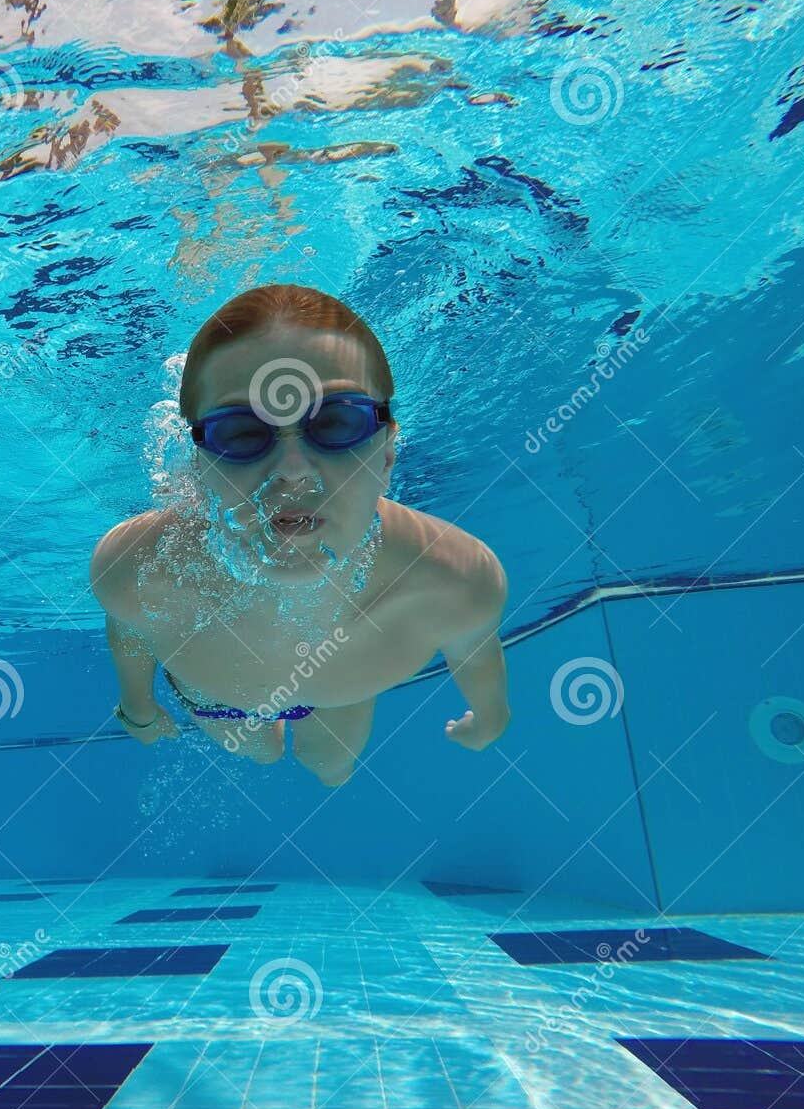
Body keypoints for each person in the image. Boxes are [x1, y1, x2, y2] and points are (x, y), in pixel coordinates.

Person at [91, 284, 511, 787]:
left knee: (330, 768)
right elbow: (129, 627)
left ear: (387, 454)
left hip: (342, 689)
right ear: (198, 466)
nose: (292, 471)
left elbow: (476, 653)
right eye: (241, 433)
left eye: (337, 423)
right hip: (220, 696)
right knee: (260, 755)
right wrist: (136, 706)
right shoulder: (135, 563)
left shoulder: (458, 579)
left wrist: (492, 716)